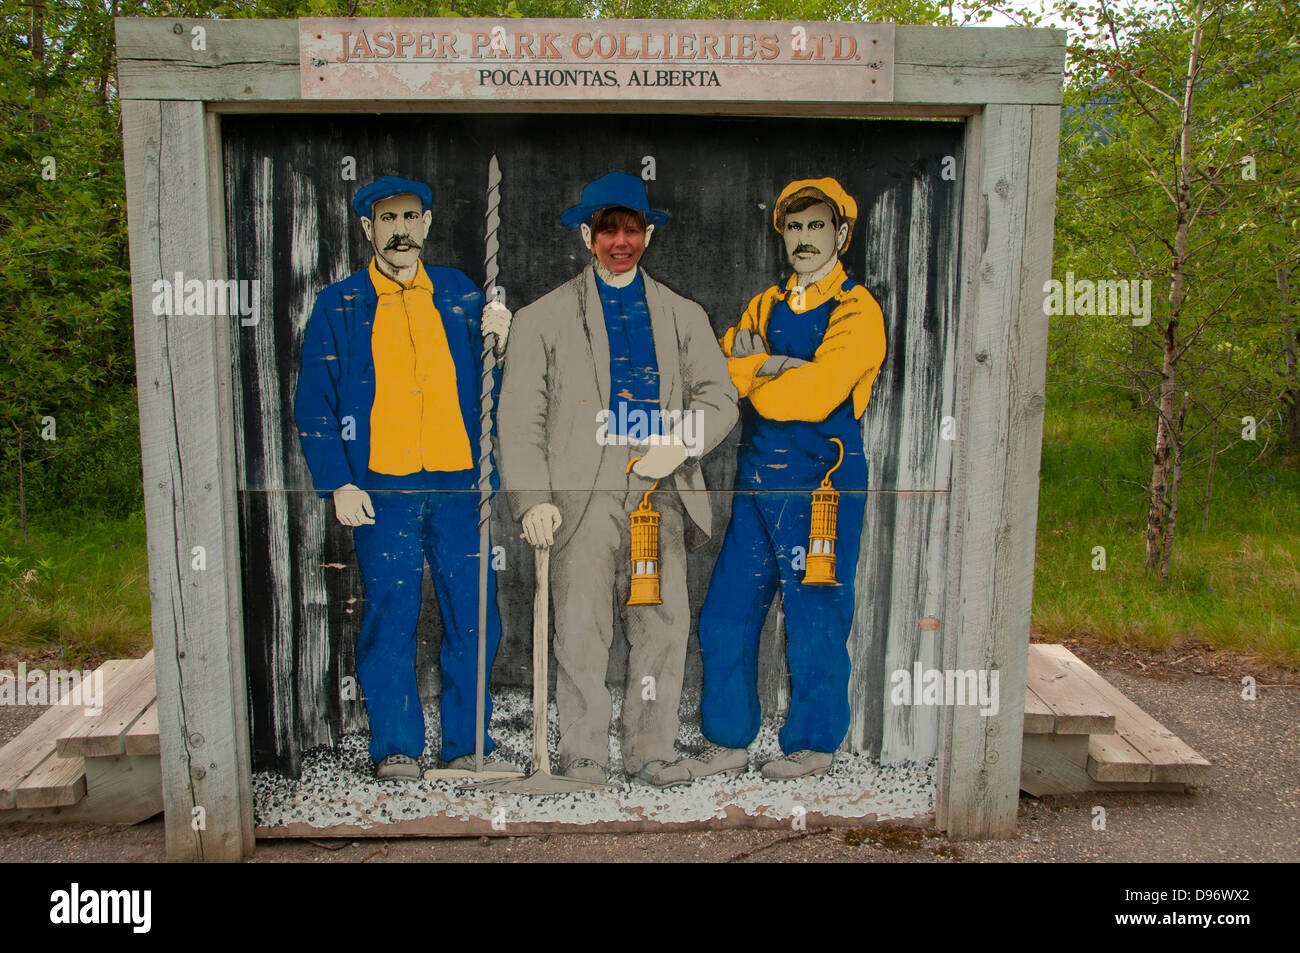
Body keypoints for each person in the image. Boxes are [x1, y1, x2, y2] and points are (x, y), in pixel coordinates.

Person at [498, 171, 737, 786]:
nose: (621, 241)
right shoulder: (541, 318)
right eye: (609, 229)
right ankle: (582, 756)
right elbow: (520, 415)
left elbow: (721, 398)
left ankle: (650, 751)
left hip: (658, 491)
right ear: (587, 235)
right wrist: (533, 499)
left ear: (648, 235)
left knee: (660, 624)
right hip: (584, 491)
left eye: (632, 229)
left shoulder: (684, 315)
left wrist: (677, 445)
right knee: (581, 627)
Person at [659, 177, 887, 784]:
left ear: (841, 233)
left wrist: (754, 366)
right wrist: (774, 366)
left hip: (823, 489)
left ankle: (813, 745)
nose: (804, 238)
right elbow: (712, 371)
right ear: (781, 234)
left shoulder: (858, 310)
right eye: (794, 227)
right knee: (726, 615)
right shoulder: (764, 303)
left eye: (817, 226)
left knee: (815, 617)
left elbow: (815, 396)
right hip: (758, 483)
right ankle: (729, 741)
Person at [294, 174, 513, 780]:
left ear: (428, 224)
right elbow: (314, 401)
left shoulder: (460, 293)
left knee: (474, 614)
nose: (400, 231)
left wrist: (500, 335)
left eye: (410, 217)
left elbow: (496, 384)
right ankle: (395, 747)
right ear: (368, 229)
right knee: (390, 614)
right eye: (386, 220)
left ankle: (469, 746)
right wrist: (338, 481)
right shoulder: (338, 304)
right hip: (381, 489)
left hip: (458, 487)